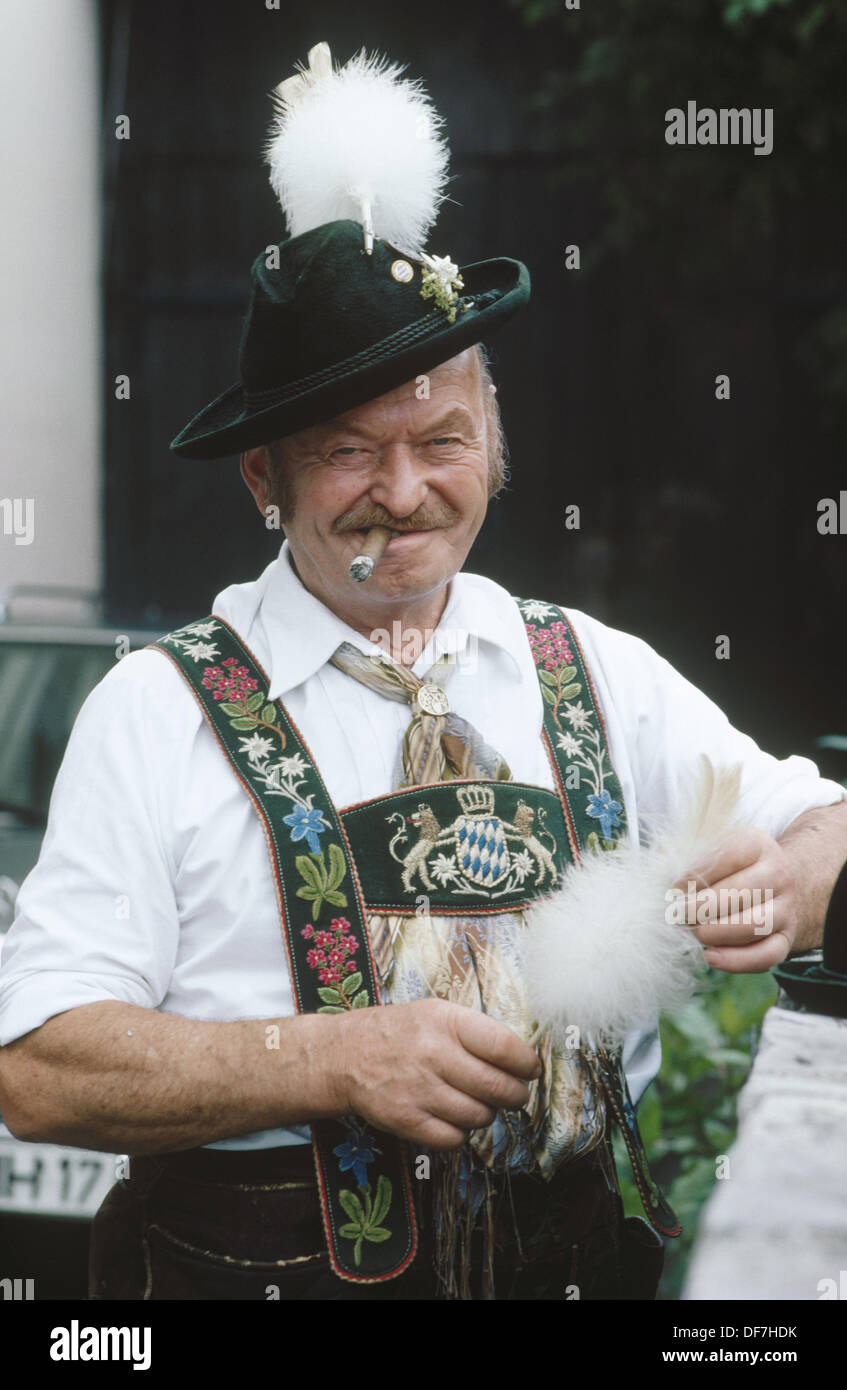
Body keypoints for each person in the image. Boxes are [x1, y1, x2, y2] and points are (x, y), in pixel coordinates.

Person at [1, 44, 846, 1302]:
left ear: (493, 441)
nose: (404, 492)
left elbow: (827, 824)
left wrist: (788, 880)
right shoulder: (155, 711)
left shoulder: (594, 672)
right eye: (347, 451)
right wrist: (326, 1059)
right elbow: (38, 1068)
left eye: (442, 436)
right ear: (263, 479)